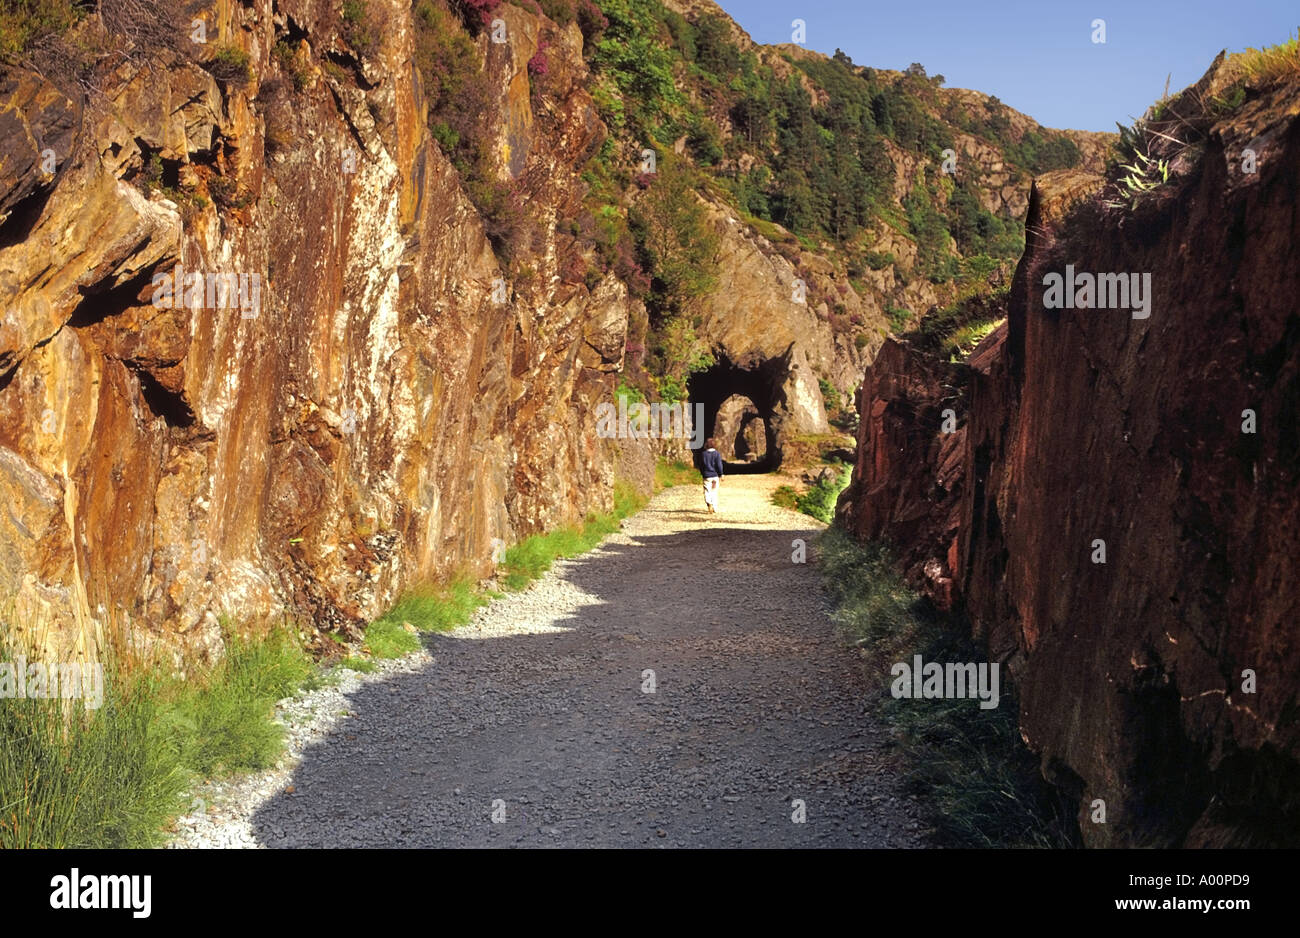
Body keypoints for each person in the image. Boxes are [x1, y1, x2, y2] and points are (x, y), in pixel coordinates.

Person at [700, 438, 724, 514]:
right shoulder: (716, 454)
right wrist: (721, 474)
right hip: (714, 477)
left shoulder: (703, 454)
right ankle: (714, 507)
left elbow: (701, 466)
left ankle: (709, 503)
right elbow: (719, 465)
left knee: (707, 491)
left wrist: (702, 473)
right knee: (714, 491)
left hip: (707, 476)